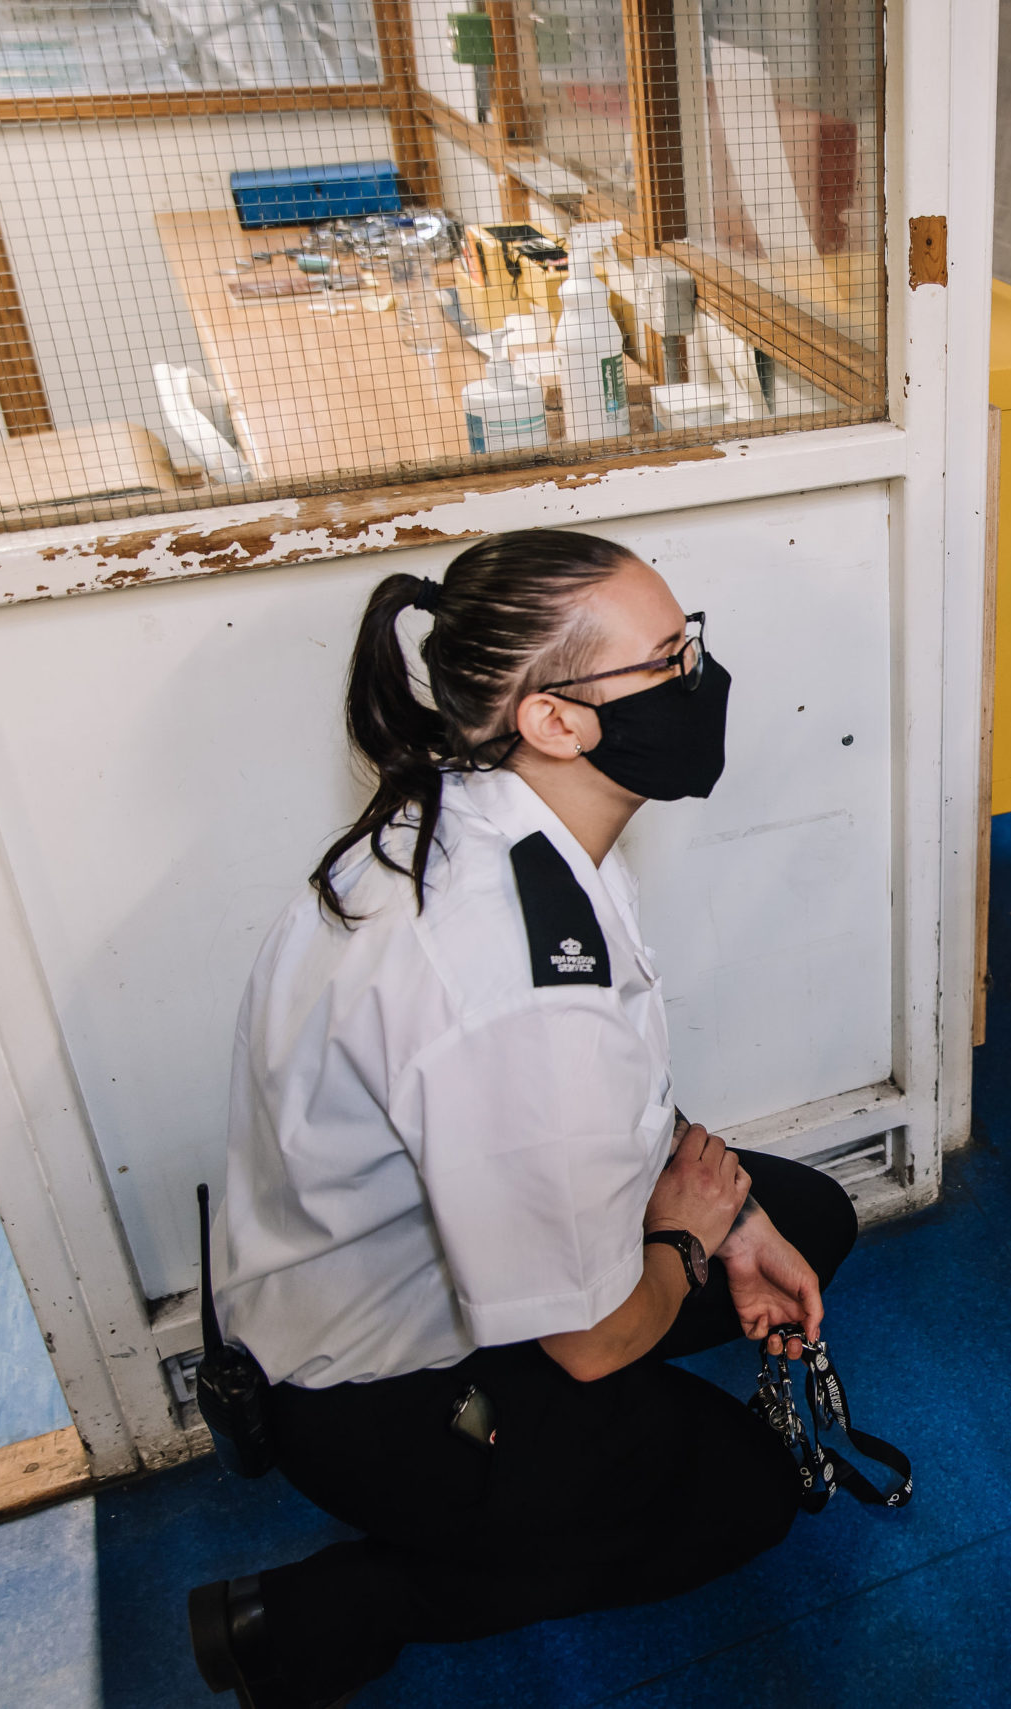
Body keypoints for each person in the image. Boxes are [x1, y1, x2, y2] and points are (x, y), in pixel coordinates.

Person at [184, 530, 857, 1706]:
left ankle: (576, 1453)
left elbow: (606, 1092)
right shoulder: (502, 978)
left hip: (429, 1258)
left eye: (687, 640)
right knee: (743, 1495)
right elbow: (591, 1336)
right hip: (374, 1384)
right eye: (668, 660)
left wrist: (738, 1213)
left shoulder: (505, 816)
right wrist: (693, 1235)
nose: (699, 676)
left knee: (803, 1212)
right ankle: (337, 1608)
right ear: (554, 718)